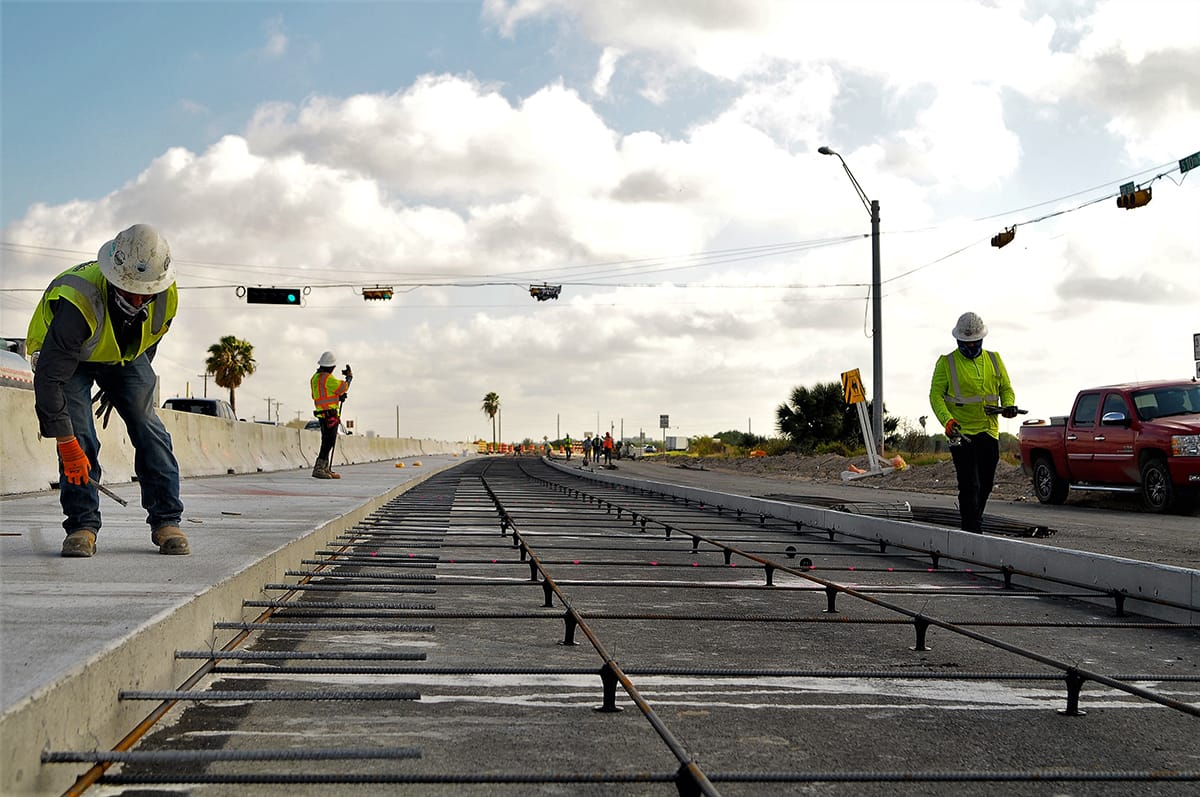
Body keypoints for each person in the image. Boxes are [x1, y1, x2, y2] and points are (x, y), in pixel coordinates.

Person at [26, 224, 188, 557]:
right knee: (79, 434)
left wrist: (123, 389)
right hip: (68, 358)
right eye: (131, 292)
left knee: (148, 427)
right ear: (114, 279)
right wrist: (65, 442)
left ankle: (166, 520)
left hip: (123, 355)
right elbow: (49, 380)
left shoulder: (165, 293)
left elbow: (150, 338)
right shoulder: (78, 301)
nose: (141, 298)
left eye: (148, 292)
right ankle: (82, 526)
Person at [929, 311, 1018, 533]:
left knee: (985, 484)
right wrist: (947, 421)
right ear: (958, 340)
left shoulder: (994, 360)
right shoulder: (946, 363)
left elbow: (1006, 388)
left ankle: (972, 522)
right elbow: (935, 395)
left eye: (974, 343)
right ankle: (972, 532)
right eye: (965, 343)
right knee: (970, 485)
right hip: (961, 433)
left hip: (989, 431)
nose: (970, 347)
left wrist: (1008, 405)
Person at [310, 351, 351, 478]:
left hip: (322, 414)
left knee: (326, 441)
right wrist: (349, 378)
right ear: (331, 367)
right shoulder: (327, 378)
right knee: (329, 442)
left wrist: (337, 398)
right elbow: (343, 387)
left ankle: (325, 468)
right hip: (330, 414)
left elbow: (321, 395)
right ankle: (319, 468)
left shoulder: (315, 378)